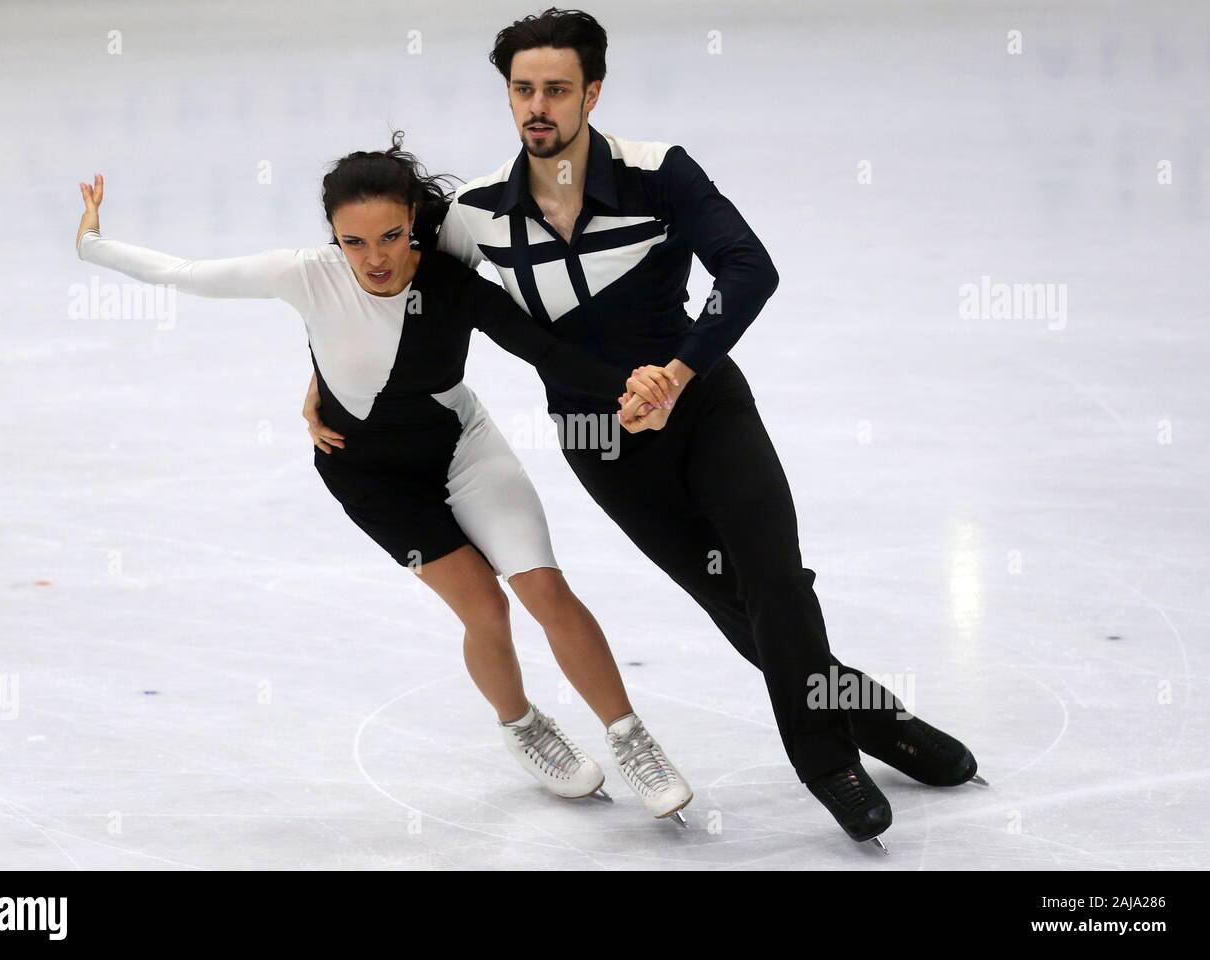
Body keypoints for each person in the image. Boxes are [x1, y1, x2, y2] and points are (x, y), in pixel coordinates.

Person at [302, 10, 985, 851]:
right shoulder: (475, 214)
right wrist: (322, 380)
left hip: (705, 407)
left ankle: (827, 761)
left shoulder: (659, 173)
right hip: (601, 440)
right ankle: (883, 723)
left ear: (593, 90)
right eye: (523, 89)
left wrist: (681, 370)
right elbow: (384, 280)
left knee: (775, 577)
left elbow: (749, 267)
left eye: (557, 88)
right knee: (735, 602)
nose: (538, 106)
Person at [73, 135, 695, 823]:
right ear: (333, 236)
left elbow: (544, 349)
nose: (375, 258)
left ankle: (630, 738)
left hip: (464, 450)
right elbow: (186, 273)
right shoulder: (305, 275)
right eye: (354, 242)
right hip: (370, 478)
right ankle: (521, 725)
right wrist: (93, 244)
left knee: (544, 589)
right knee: (484, 609)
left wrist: (635, 386)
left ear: (413, 223)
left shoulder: (453, 283)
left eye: (393, 236)